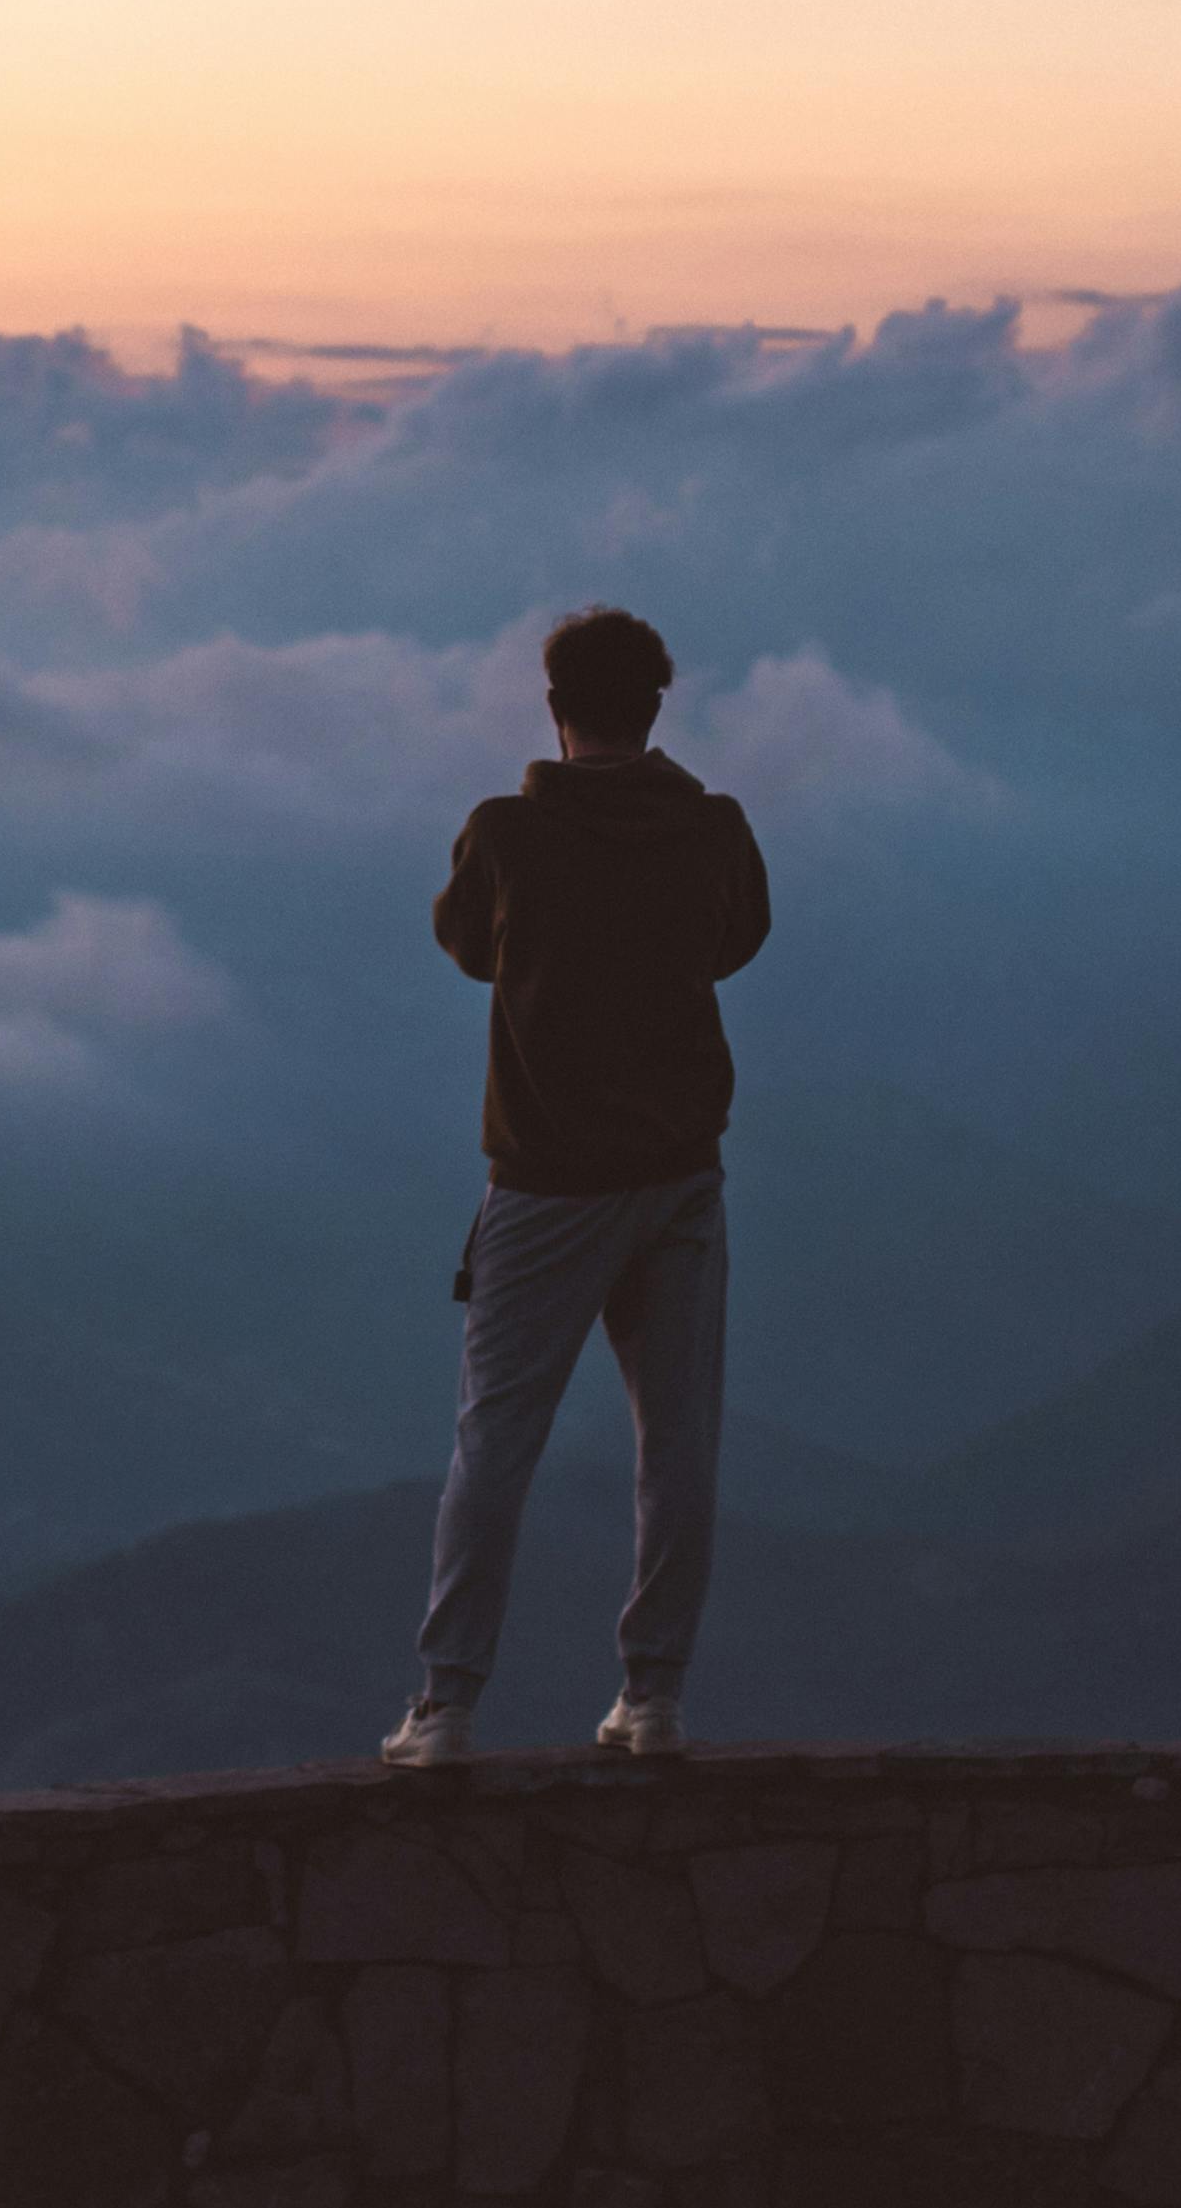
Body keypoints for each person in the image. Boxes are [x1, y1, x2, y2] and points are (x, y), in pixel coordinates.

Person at [379, 603, 769, 1766]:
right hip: (679, 1177)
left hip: (546, 1181)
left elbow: (466, 945)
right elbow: (732, 940)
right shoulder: (713, 830)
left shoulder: (506, 832)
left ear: (552, 708)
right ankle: (652, 1698)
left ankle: (446, 1709)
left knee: (495, 1438)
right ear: (656, 707)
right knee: (679, 1442)